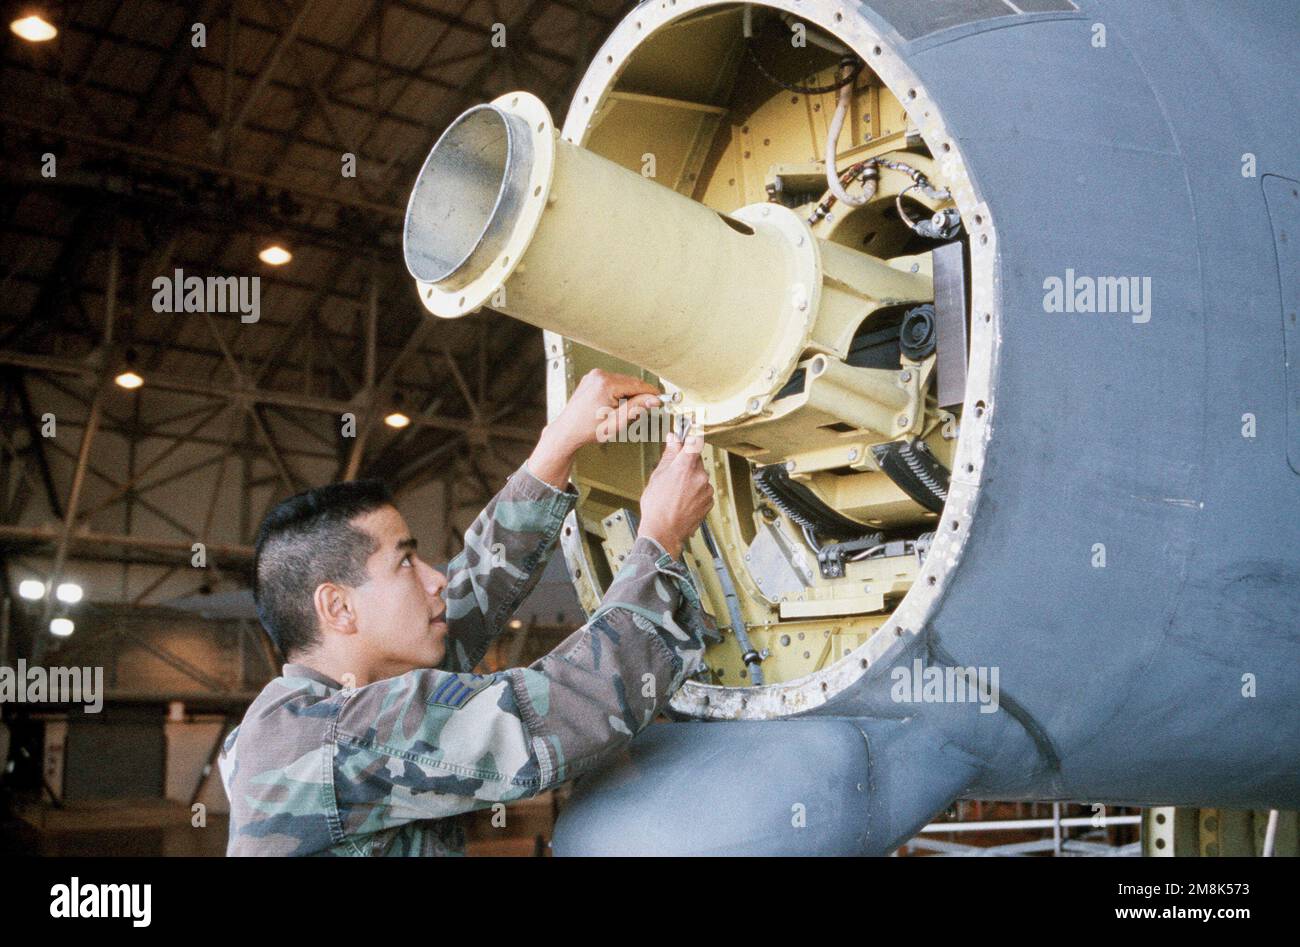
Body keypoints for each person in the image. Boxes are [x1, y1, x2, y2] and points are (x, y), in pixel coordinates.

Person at [218, 369, 718, 855]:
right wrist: (659, 540)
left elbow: (469, 593)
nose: (435, 577)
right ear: (338, 606)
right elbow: (565, 708)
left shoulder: (295, 719)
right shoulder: (335, 738)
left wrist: (557, 446)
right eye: (406, 562)